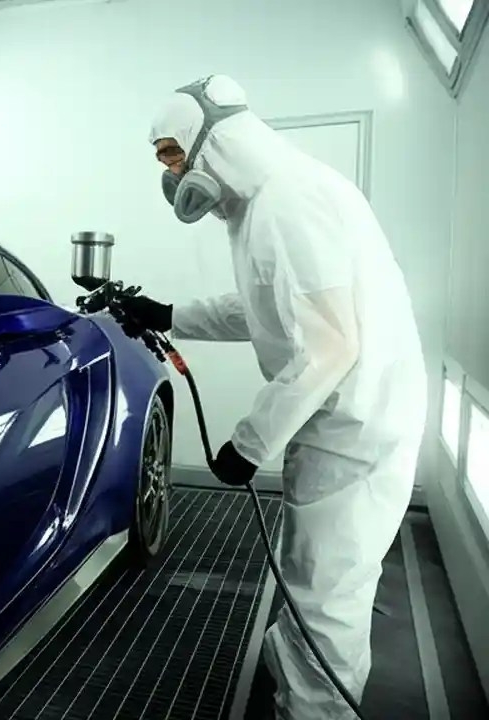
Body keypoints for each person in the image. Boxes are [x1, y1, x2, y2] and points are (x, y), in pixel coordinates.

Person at [121, 74, 428, 719]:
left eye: (173, 154)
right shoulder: (265, 204)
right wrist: (170, 312)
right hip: (343, 420)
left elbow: (328, 346)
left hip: (353, 429)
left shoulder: (287, 203)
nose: (172, 175)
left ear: (214, 141)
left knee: (327, 595)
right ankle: (292, 668)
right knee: (311, 573)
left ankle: (317, 709)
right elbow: (267, 310)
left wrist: (247, 444)